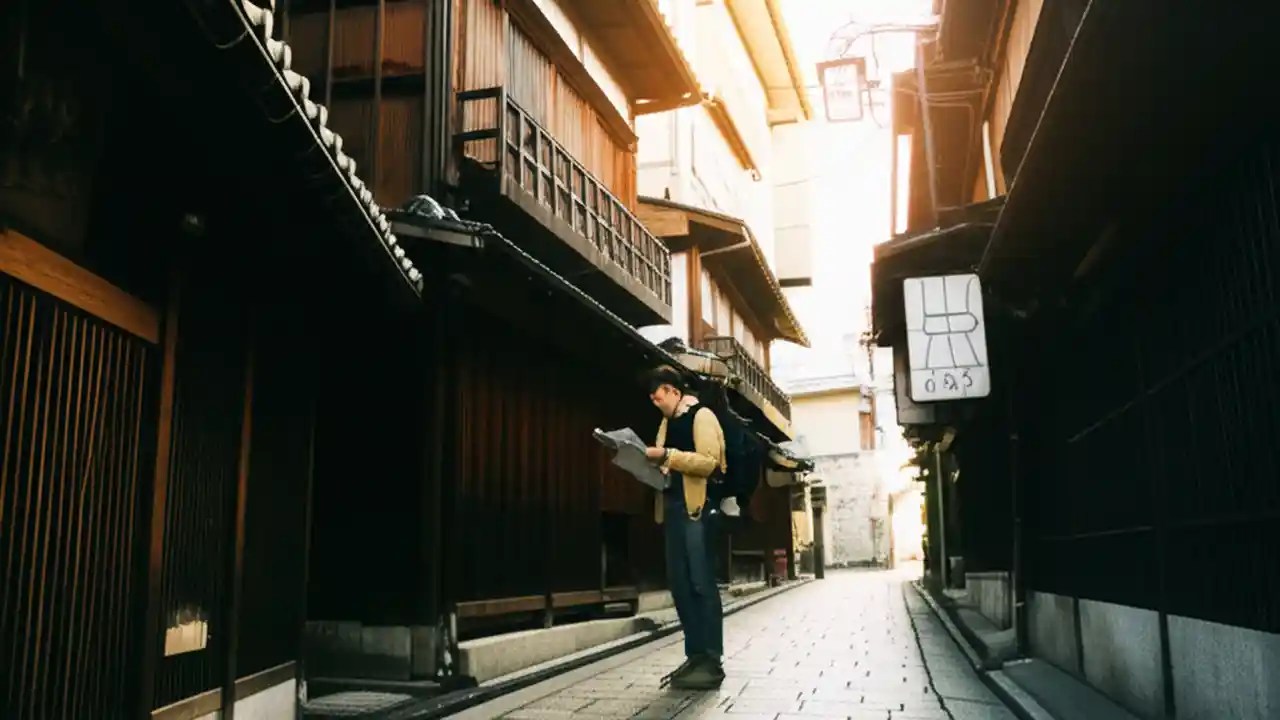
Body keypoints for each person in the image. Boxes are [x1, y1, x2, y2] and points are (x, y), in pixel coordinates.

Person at [644, 365, 727, 690]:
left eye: (659, 395)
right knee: (679, 584)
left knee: (701, 583)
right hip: (673, 507)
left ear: (675, 391)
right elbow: (669, 463)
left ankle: (712, 659)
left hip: (697, 508)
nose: (656, 402)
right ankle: (694, 656)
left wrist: (667, 455)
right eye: (652, 398)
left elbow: (709, 462)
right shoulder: (666, 423)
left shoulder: (701, 415)